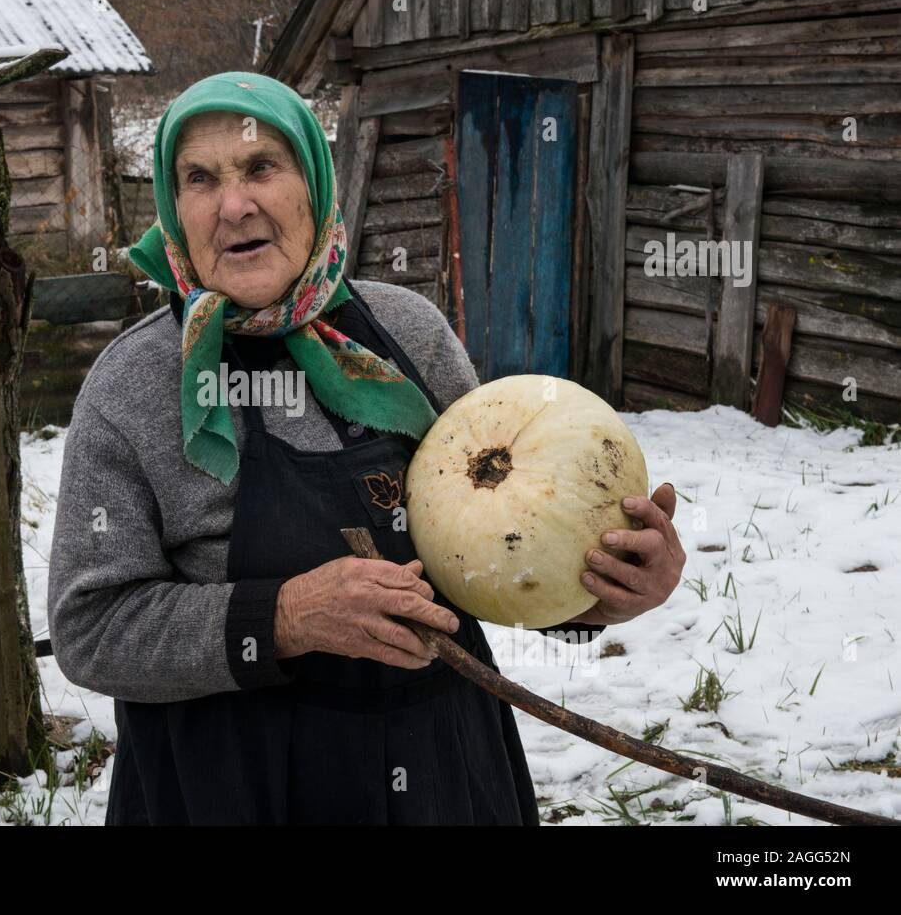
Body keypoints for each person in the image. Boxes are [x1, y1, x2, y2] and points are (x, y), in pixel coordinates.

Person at [47, 71, 685, 824]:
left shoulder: (406, 335)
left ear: (315, 184)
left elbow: (496, 551)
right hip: (235, 786)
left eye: (261, 167)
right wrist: (282, 617)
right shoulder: (132, 387)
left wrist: (603, 589)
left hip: (440, 767)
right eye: (199, 178)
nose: (235, 205)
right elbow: (90, 629)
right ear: (172, 206)